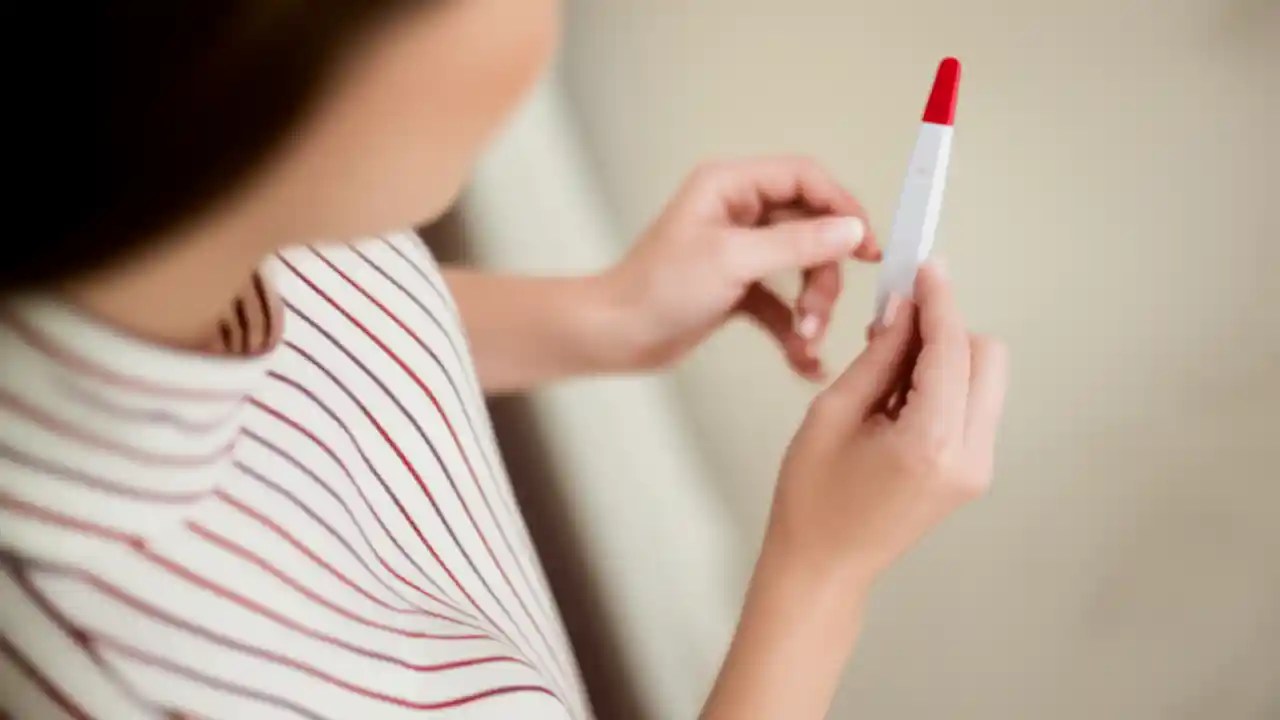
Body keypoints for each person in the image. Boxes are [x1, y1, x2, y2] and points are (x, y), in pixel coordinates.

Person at [0, 2, 1008, 718]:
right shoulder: (136, 684)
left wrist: (602, 317)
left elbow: (304, 358)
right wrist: (820, 578)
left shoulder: (144, 216)